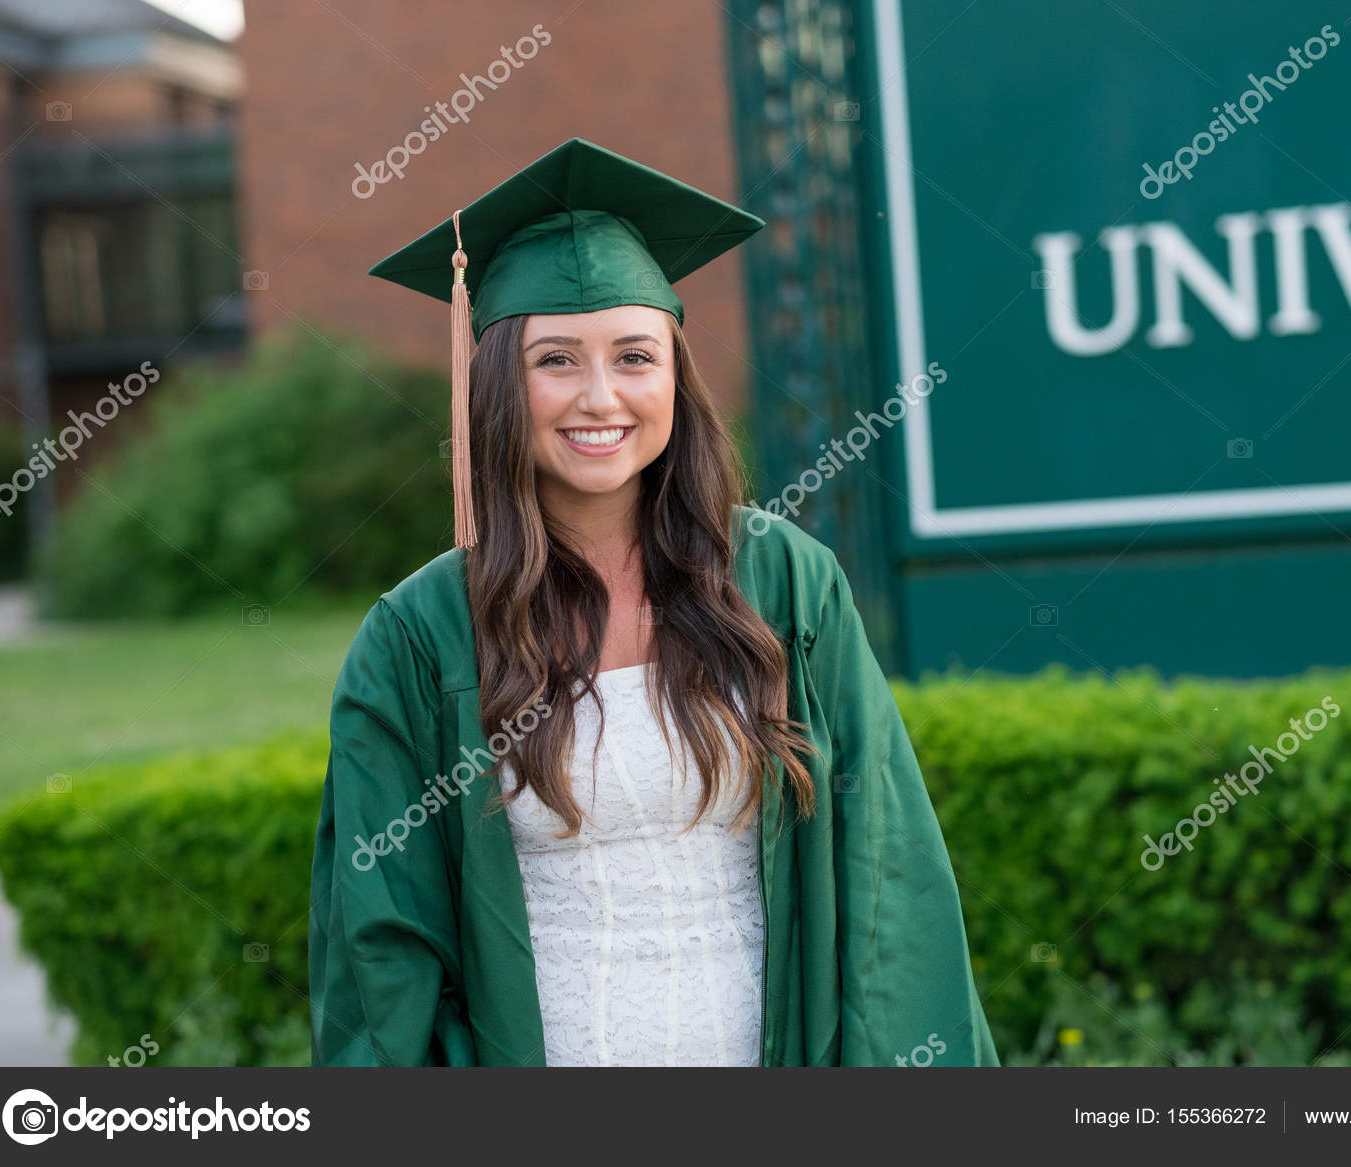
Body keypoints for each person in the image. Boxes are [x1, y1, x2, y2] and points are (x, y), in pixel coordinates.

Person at [307, 138, 998, 1067]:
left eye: (635, 355)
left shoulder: (783, 581)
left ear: (675, 373)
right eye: (557, 358)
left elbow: (887, 874)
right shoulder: (422, 635)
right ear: (500, 384)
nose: (602, 396)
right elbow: (379, 948)